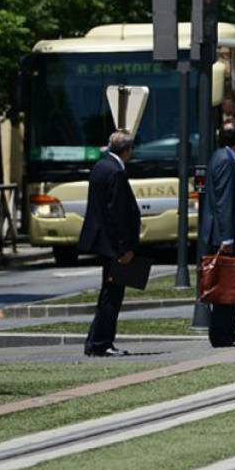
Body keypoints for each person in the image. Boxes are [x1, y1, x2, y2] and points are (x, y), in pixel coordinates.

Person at [77, 130, 141, 357]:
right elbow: (117, 214)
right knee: (111, 296)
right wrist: (124, 249)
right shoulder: (115, 172)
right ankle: (101, 343)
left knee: (108, 293)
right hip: (114, 245)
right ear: (127, 150)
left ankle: (95, 340)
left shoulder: (102, 166)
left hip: (105, 242)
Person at [200, 121, 235, 347]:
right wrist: (227, 238)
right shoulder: (225, 161)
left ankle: (229, 331)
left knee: (230, 283)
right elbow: (223, 202)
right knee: (225, 286)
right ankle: (222, 334)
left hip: (228, 233)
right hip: (225, 235)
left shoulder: (225, 158)